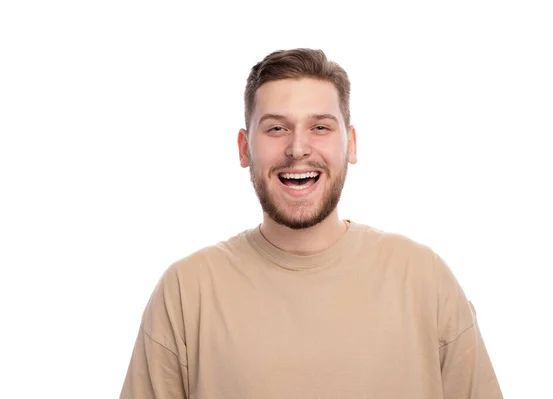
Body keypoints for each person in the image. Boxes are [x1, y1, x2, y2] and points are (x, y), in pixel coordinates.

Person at [120, 48, 503, 399]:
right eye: (276, 128)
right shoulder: (187, 292)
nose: (298, 148)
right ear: (243, 148)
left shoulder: (425, 279)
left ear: (350, 145)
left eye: (320, 127)